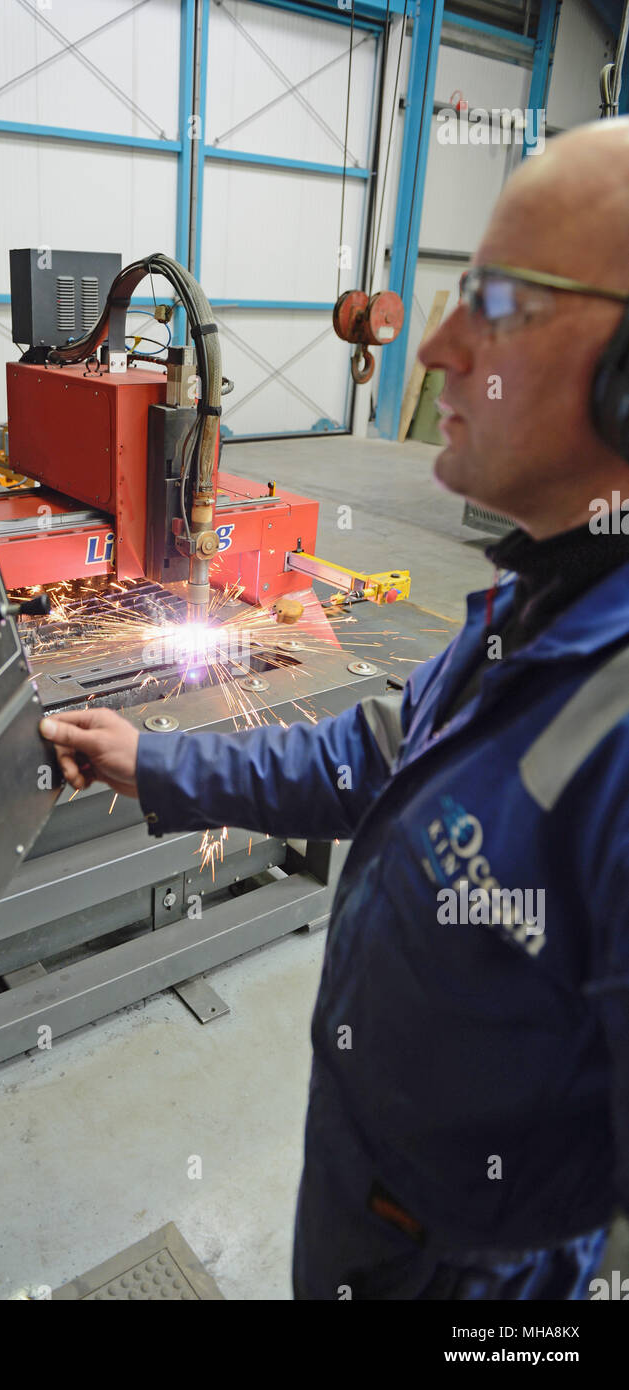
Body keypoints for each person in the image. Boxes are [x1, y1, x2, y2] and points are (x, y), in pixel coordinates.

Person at [39, 118, 629, 1300]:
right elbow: (380, 754)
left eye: (501, 303)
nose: (438, 348)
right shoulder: (545, 596)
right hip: (365, 1209)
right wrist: (155, 762)